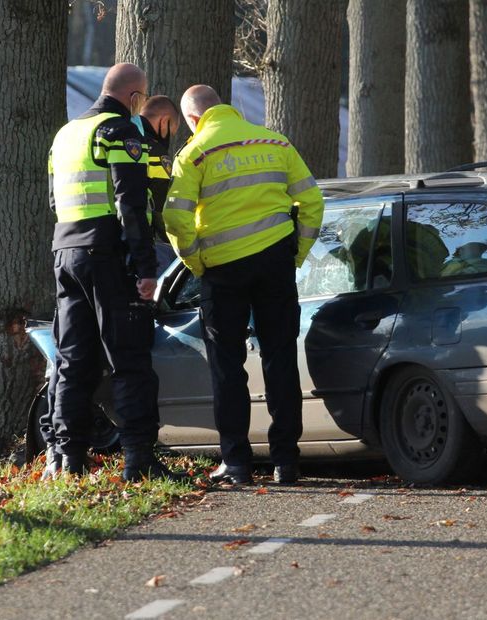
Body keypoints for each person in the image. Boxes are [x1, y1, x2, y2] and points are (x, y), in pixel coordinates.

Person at [163, 85, 324, 485]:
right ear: (224, 108)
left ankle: (237, 464)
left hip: (223, 271)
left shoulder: (194, 154)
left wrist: (197, 262)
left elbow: (176, 218)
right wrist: (296, 254)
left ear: (193, 119)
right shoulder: (275, 142)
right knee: (280, 359)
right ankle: (286, 462)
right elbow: (312, 201)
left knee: (227, 367)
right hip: (275, 264)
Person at [46, 62, 184, 481]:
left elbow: (54, 201)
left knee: (73, 360)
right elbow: (130, 203)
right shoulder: (119, 131)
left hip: (65, 252)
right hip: (107, 255)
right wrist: (146, 268)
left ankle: (68, 459)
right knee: (130, 360)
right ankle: (138, 460)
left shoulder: (66, 134)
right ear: (135, 98)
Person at [138, 95, 180, 245]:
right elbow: (161, 211)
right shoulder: (156, 152)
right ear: (164, 121)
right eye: (171, 133)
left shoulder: (121, 138)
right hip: (139, 237)